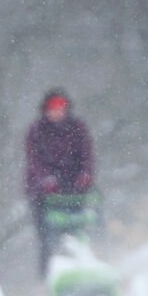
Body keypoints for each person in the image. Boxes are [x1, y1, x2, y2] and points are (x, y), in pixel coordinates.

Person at [22, 88, 96, 279]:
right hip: (43, 195)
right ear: (45, 109)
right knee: (47, 239)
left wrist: (85, 175)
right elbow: (34, 160)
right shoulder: (37, 131)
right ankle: (46, 279)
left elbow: (87, 155)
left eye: (61, 107)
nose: (57, 111)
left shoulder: (78, 129)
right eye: (53, 107)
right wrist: (46, 180)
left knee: (79, 232)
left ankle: (84, 271)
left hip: (74, 192)